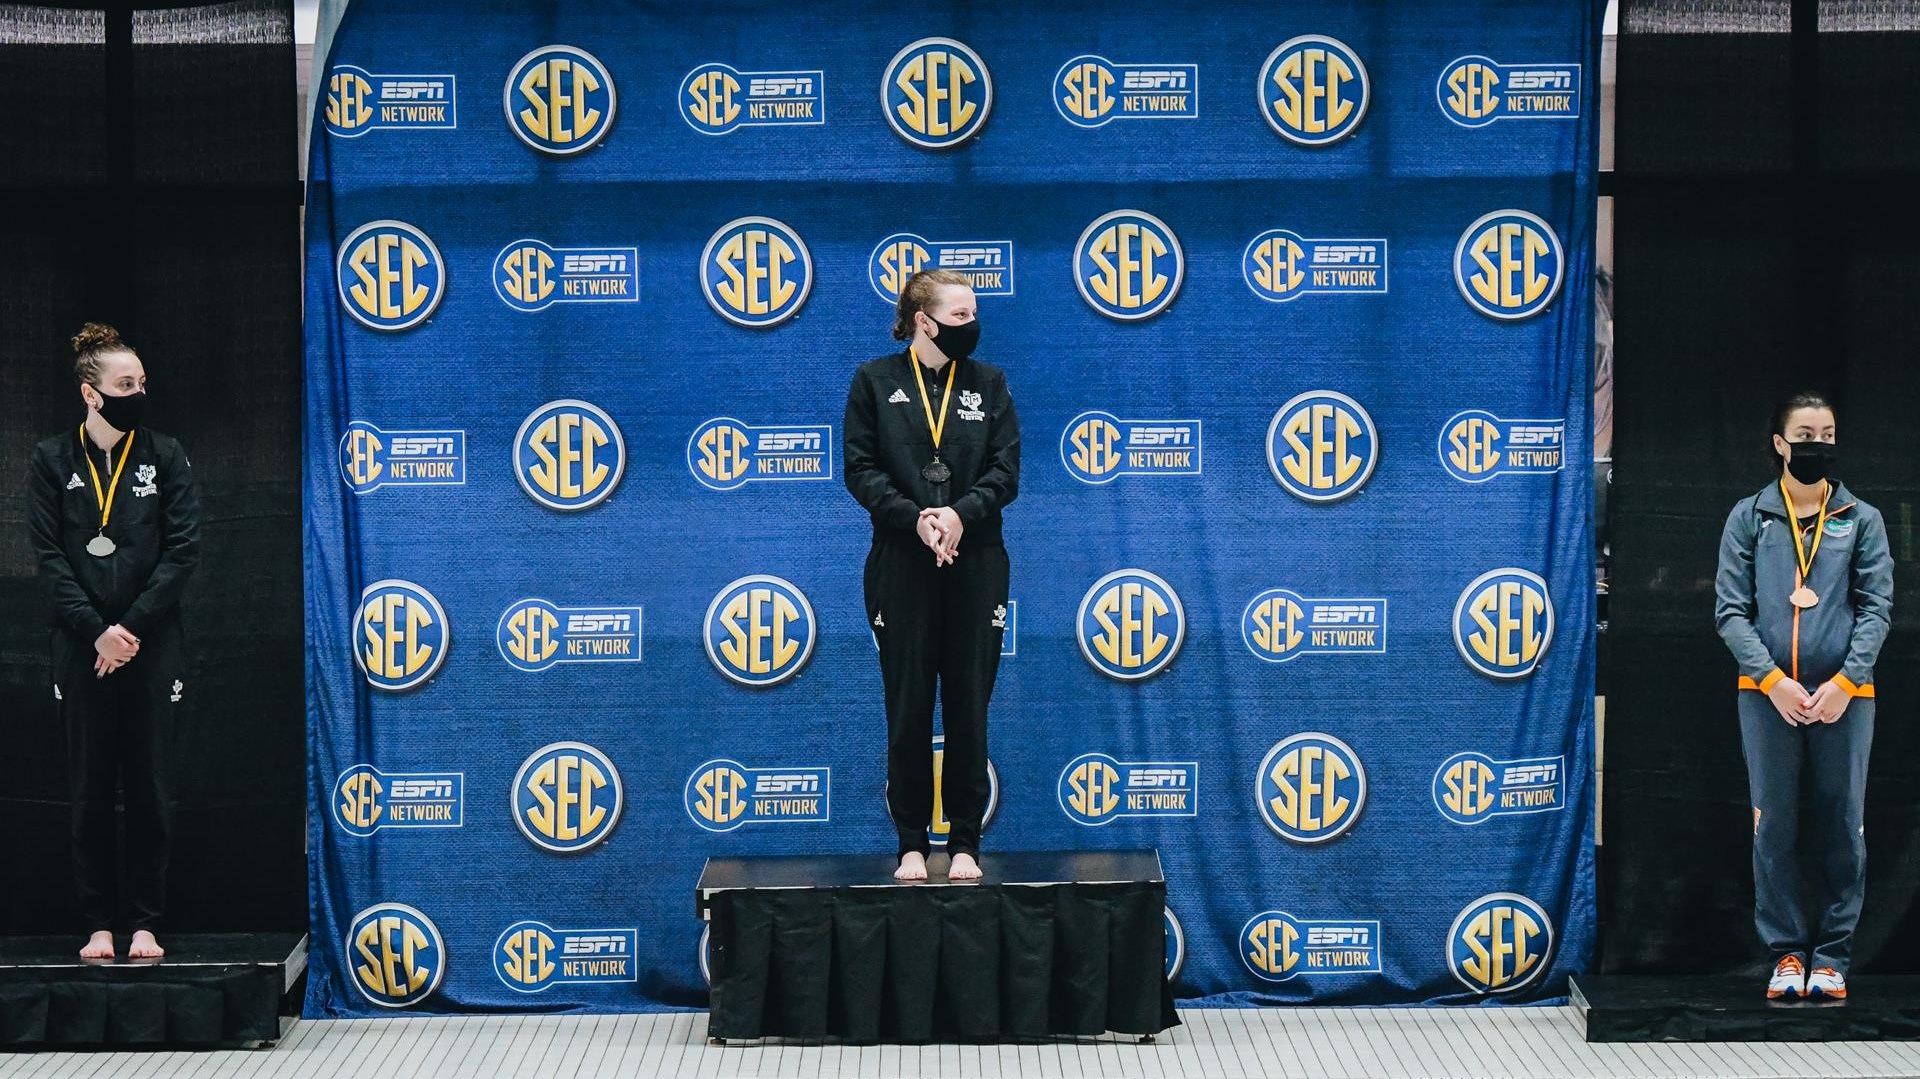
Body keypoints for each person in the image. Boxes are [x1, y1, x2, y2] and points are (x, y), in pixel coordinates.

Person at [26, 323, 202, 960]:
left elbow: (182, 551)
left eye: (142, 383)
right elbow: (48, 557)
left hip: (150, 642)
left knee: (151, 786)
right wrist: (96, 631)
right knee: (90, 789)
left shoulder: (166, 455)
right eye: (125, 385)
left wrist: (128, 629)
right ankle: (99, 923)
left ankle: (146, 921)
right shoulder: (51, 459)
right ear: (91, 393)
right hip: (81, 645)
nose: (138, 393)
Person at [1714, 391, 1893, 1000]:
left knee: (1844, 824)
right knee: (1774, 826)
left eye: (1828, 434)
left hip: (1847, 697)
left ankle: (1834, 955)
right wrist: (1774, 682)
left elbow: (1876, 609)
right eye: (1806, 435)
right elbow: (1730, 612)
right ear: (1780, 443)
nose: (1818, 445)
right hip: (1767, 696)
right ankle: (1787, 953)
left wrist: (1846, 682)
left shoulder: (1861, 519)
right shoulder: (1750, 516)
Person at [843, 269, 1019, 883]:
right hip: (902, 562)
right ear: (925, 321)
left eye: (973, 313)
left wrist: (959, 515)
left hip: (977, 561)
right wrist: (914, 518)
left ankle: (965, 842)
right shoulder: (874, 380)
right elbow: (861, 469)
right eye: (960, 315)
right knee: (909, 705)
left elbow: (1005, 471)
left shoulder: (989, 383)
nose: (972, 324)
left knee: (969, 705)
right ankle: (912, 844)